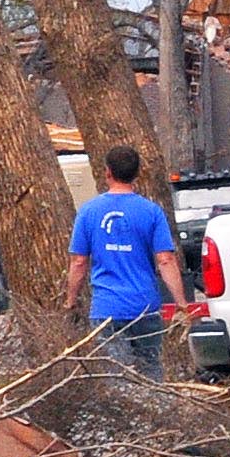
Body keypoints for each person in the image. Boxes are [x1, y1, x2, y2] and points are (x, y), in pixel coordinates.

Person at [65, 144, 182, 375]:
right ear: (137, 173)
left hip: (107, 309)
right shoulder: (152, 212)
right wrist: (182, 302)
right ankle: (155, 409)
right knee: (150, 371)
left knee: (116, 377)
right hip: (144, 307)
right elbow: (166, 260)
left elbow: (79, 262)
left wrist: (71, 300)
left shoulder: (88, 212)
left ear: (107, 172)